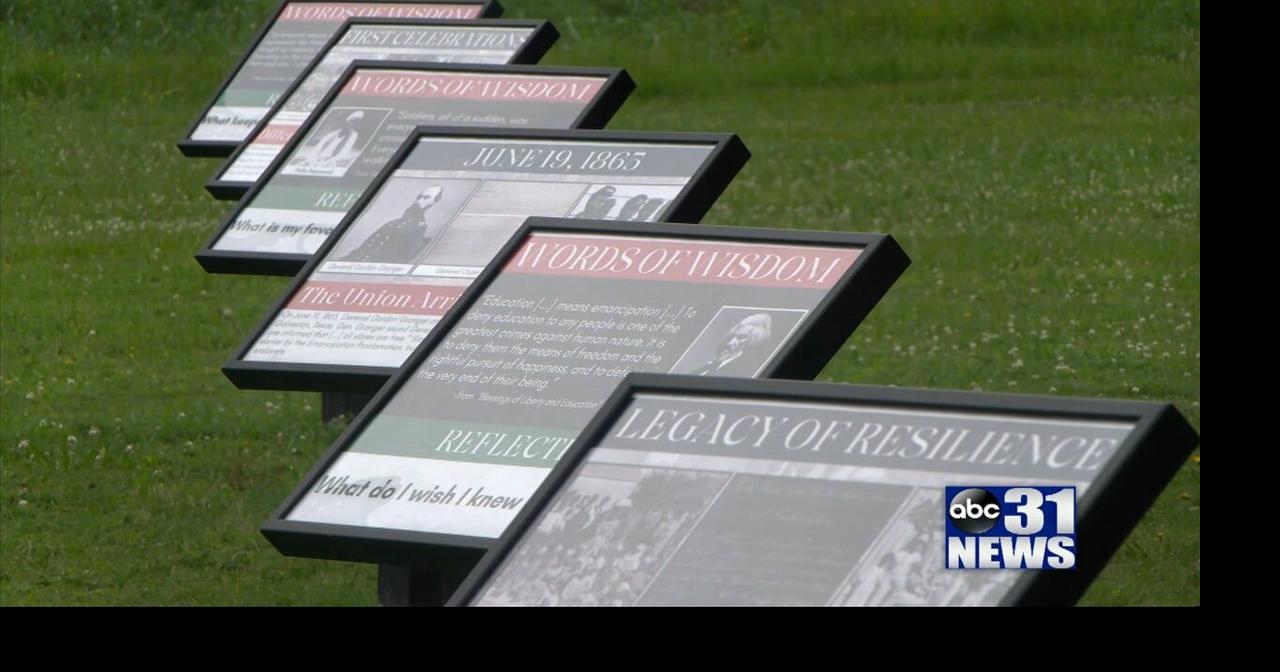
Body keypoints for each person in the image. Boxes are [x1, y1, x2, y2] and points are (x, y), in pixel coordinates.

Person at [338, 186, 444, 264]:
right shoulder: (395, 222)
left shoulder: (419, 226)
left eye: (426, 198)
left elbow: (400, 258)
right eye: (419, 197)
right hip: (354, 260)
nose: (419, 201)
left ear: (433, 202)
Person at [688, 312, 774, 376]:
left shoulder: (741, 370)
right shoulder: (710, 361)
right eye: (733, 335)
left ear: (751, 344)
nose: (731, 341)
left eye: (741, 337)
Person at [298, 110, 365, 167]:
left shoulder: (353, 135)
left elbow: (345, 150)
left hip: (331, 162)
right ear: (348, 121)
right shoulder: (331, 134)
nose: (354, 124)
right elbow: (318, 148)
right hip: (317, 160)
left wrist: (332, 160)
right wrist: (312, 160)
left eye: (356, 123)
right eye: (353, 122)